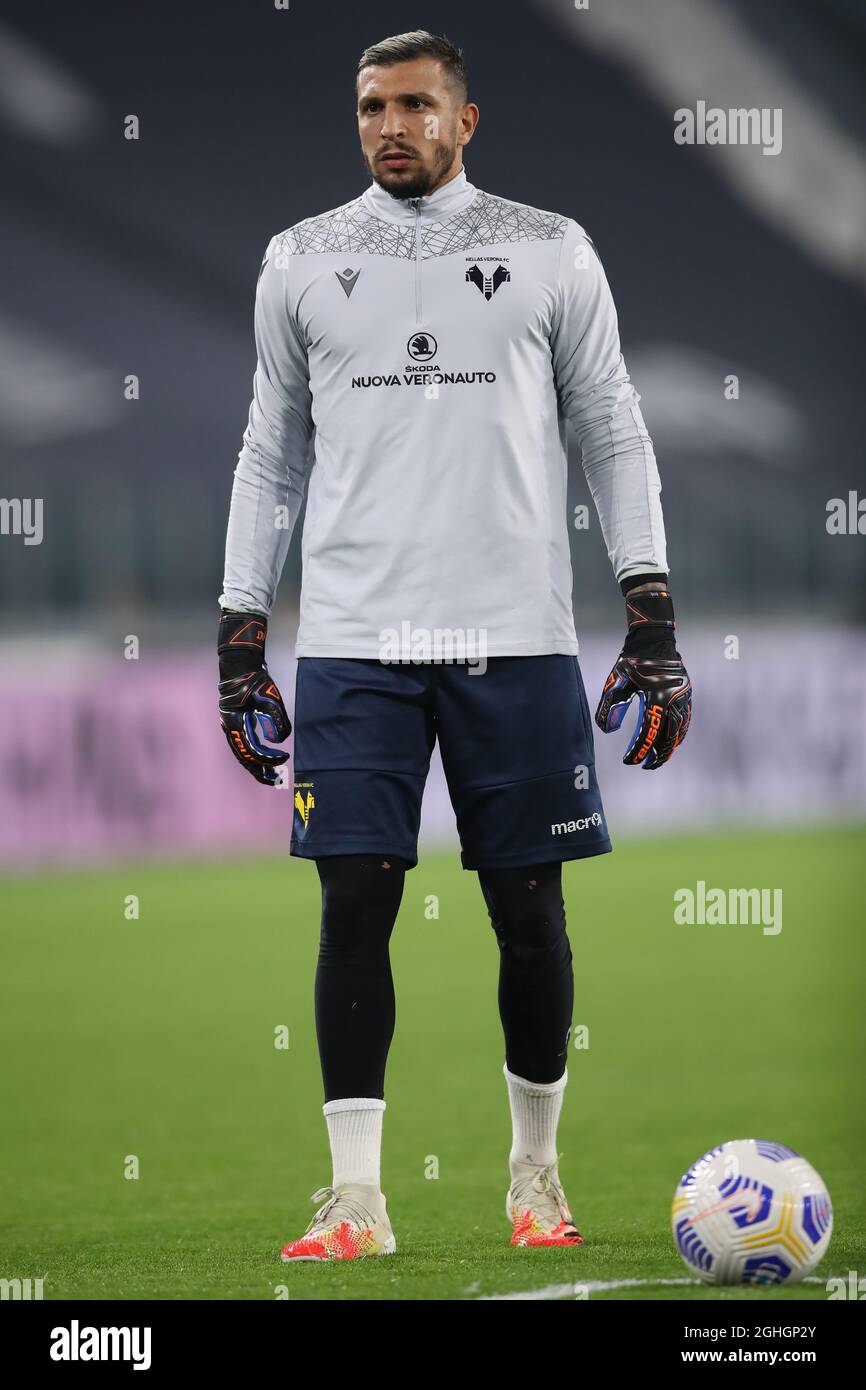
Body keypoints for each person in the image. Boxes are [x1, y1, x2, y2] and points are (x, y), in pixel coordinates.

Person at [217, 29, 692, 1261]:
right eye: (372, 104)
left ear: (464, 120)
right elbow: (269, 452)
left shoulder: (548, 250)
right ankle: (356, 1200)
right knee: (352, 900)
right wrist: (239, 625)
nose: (392, 124)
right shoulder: (301, 259)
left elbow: (614, 432)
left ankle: (534, 1175)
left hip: (514, 639)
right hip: (356, 644)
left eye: (417, 104)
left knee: (527, 912)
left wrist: (650, 610)